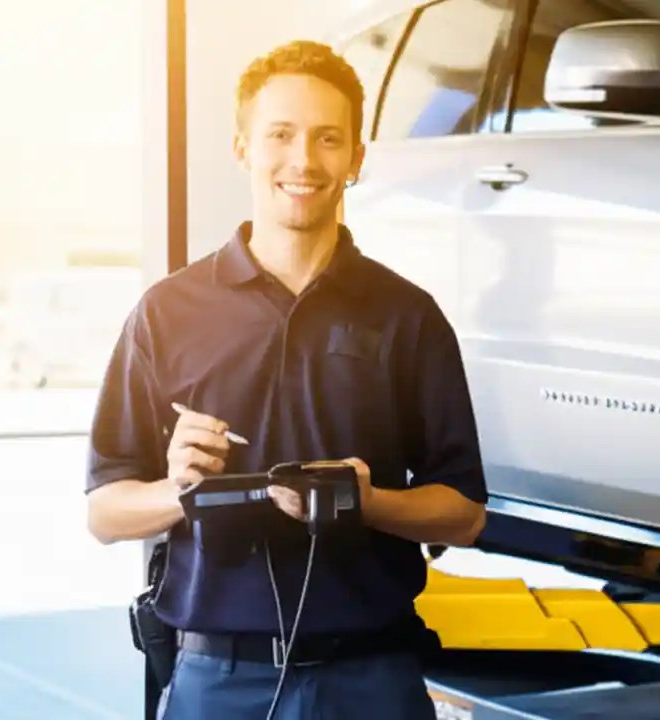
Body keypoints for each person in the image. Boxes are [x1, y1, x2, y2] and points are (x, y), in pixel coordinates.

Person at [85, 39, 488, 719]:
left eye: (328, 138)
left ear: (356, 158)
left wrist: (367, 501)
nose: (303, 160)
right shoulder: (168, 311)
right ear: (243, 147)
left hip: (373, 677)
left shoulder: (407, 315)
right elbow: (104, 512)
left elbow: (465, 513)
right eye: (281, 135)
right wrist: (177, 489)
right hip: (217, 678)